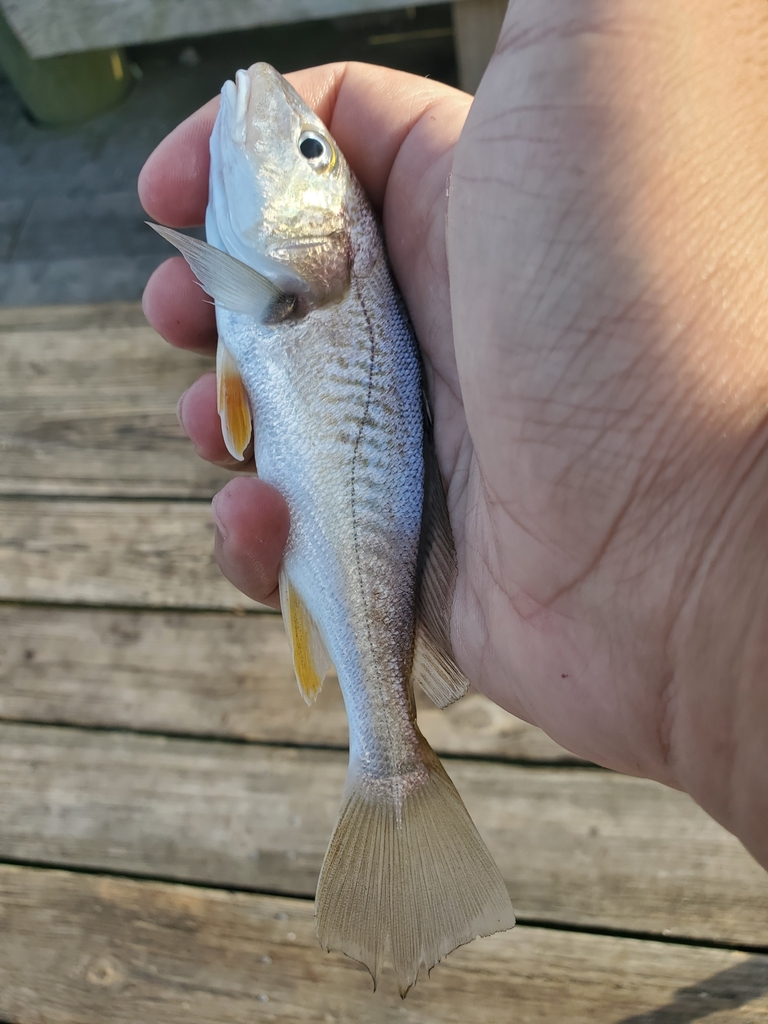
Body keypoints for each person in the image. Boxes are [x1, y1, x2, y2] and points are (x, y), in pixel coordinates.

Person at [139, 0, 768, 873]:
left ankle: (389, 765)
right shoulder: (285, 289)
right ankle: (388, 754)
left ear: (334, 240)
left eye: (308, 153)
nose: (281, 122)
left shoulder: (277, 287)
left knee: (250, 494)